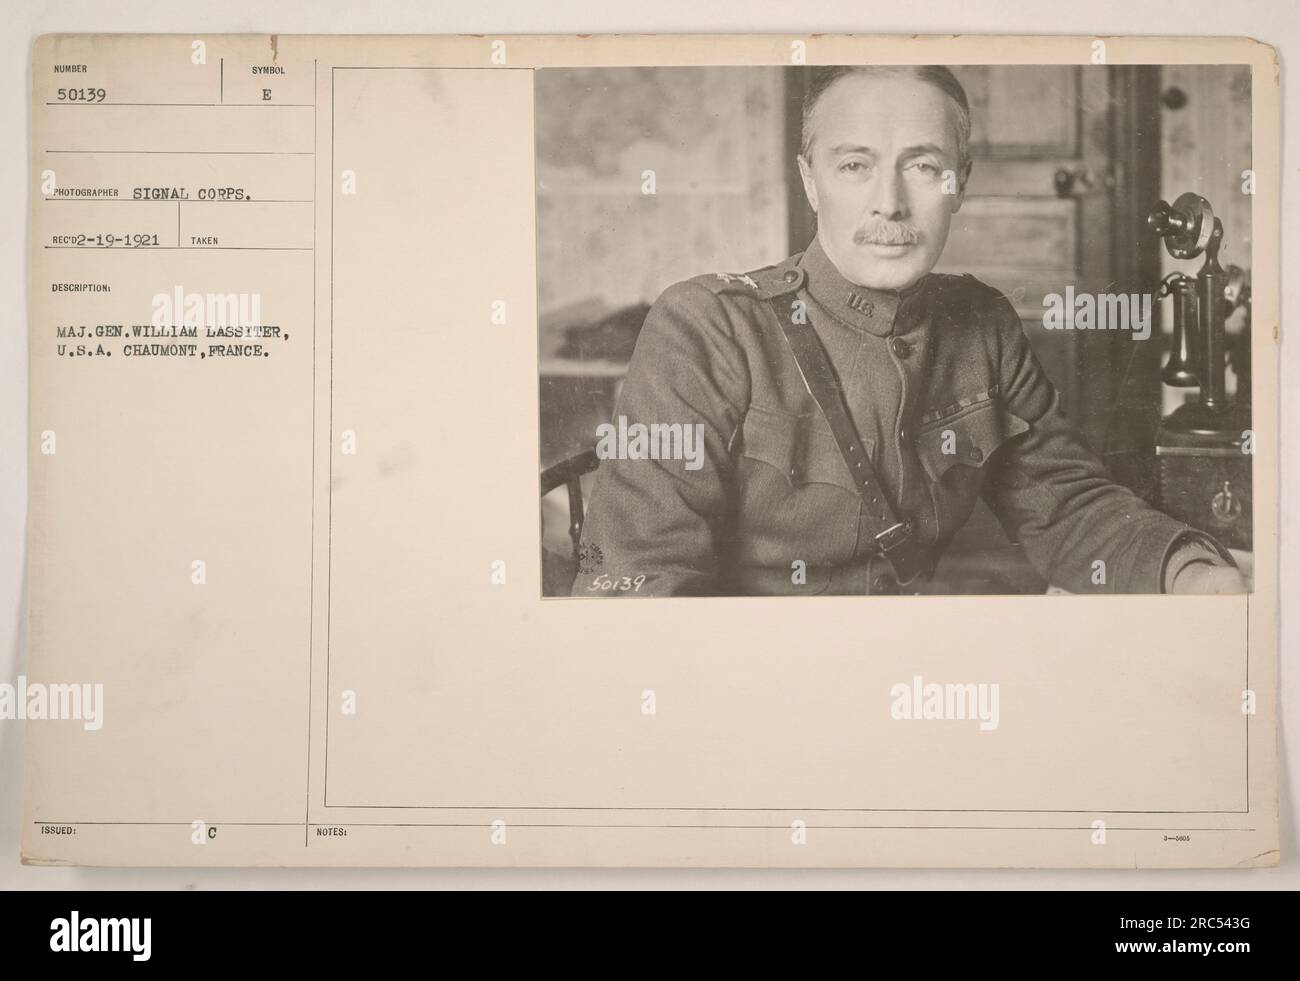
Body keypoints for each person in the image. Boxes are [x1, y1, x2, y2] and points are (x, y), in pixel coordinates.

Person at [572, 65, 1245, 597]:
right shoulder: (708, 327)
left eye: (922, 166)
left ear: (961, 183)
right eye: (854, 166)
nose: (889, 203)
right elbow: (639, 583)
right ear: (811, 182)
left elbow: (1066, 503)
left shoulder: (981, 325)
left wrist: (1189, 570)